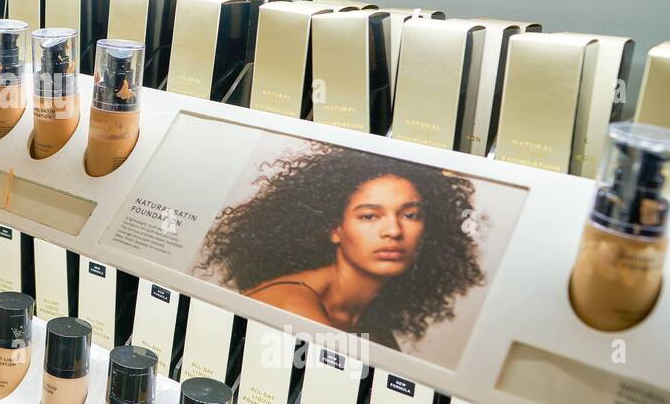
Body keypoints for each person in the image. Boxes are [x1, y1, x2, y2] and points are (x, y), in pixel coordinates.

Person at [192, 143, 485, 349]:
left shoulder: (366, 315)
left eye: (410, 215)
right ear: (335, 228)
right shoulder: (295, 303)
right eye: (369, 216)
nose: (394, 231)